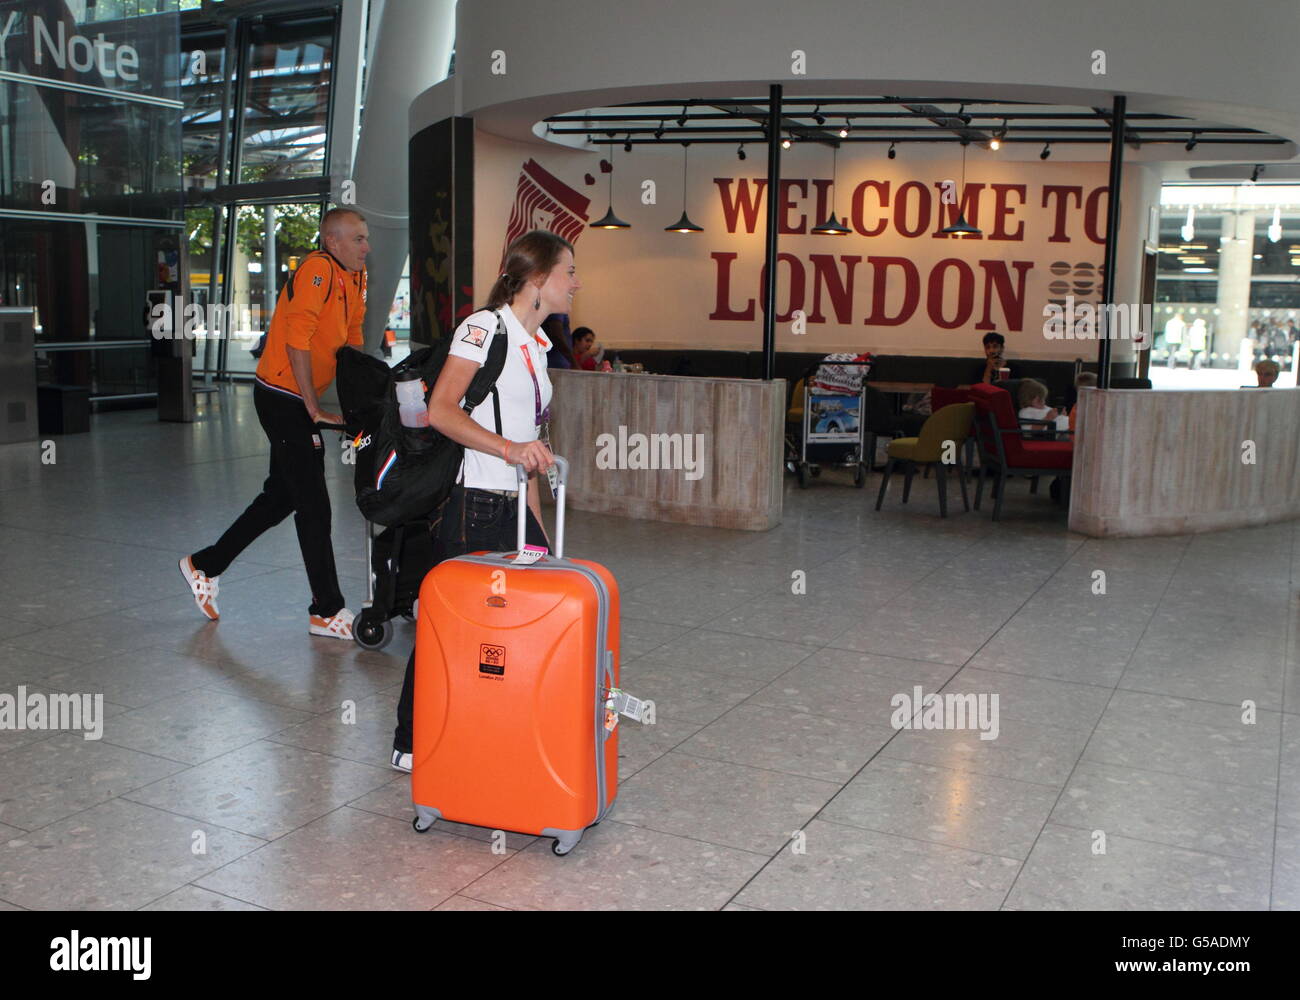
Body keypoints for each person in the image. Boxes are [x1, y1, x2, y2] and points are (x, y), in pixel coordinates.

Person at [390, 229, 575, 772]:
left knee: (517, 623)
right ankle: (410, 740)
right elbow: (443, 410)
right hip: (474, 505)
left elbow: (531, 450)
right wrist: (508, 449)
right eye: (568, 272)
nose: (576, 283)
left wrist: (540, 535)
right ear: (537, 278)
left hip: (515, 506)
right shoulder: (482, 328)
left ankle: (492, 727)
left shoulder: (537, 346)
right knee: (450, 627)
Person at [180, 207, 368, 639]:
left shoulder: (356, 276)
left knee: (281, 496)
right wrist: (313, 408)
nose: (366, 247)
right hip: (281, 395)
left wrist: (362, 403)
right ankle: (325, 610)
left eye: (366, 238)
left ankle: (205, 564)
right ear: (333, 241)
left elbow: (353, 343)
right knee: (314, 504)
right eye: (358, 239)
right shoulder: (318, 270)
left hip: (299, 397)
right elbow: (296, 340)